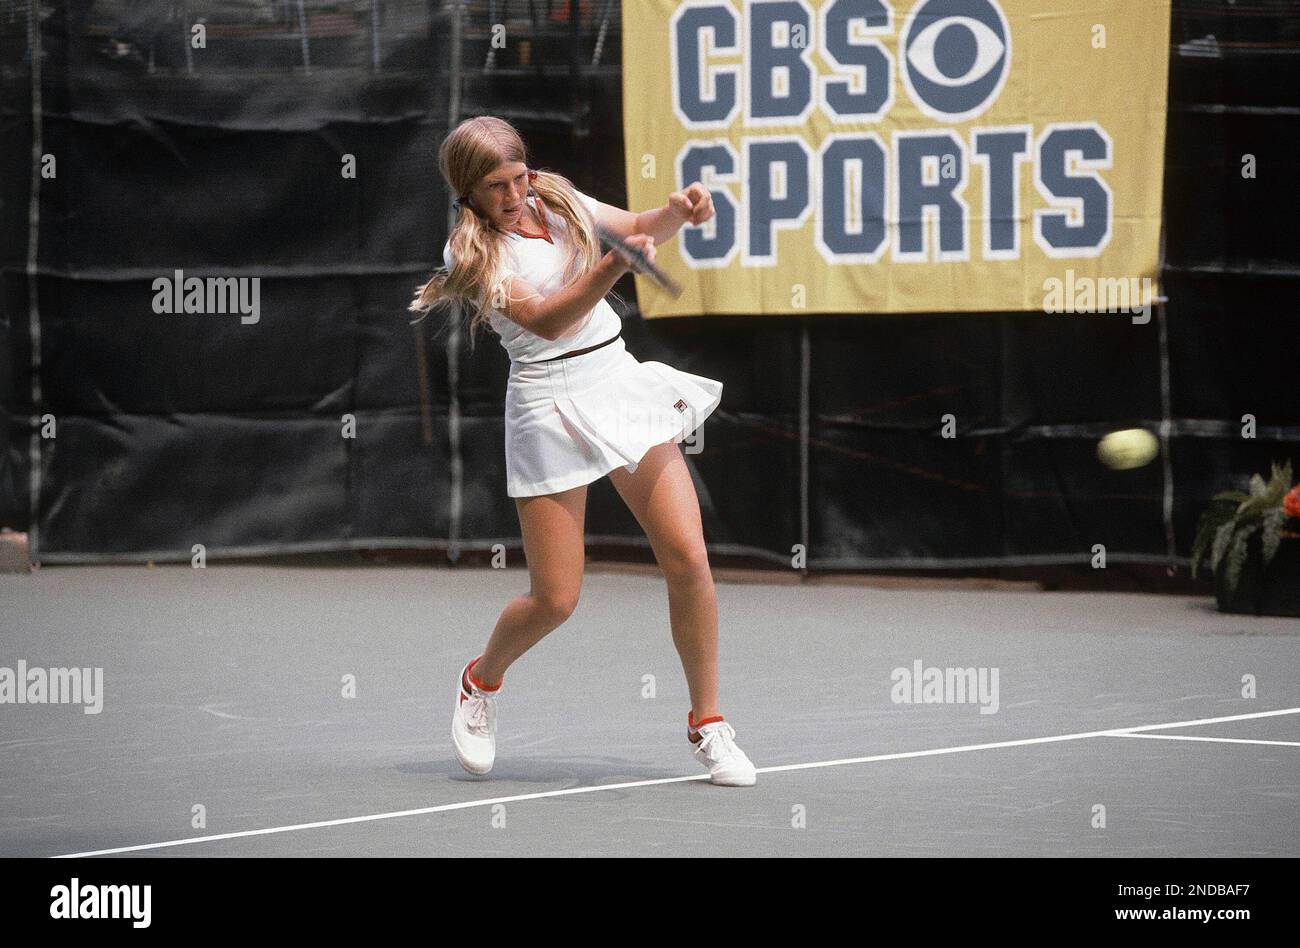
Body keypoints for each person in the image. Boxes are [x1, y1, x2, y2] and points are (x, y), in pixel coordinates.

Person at [410, 116, 756, 787]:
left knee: (688, 557)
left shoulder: (557, 197)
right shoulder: (469, 251)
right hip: (546, 405)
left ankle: (708, 724)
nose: (515, 195)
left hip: (615, 381)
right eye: (497, 187)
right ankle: (481, 682)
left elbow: (637, 228)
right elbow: (546, 318)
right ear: (468, 192)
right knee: (556, 599)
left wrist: (676, 214)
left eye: (520, 177)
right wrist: (611, 266)